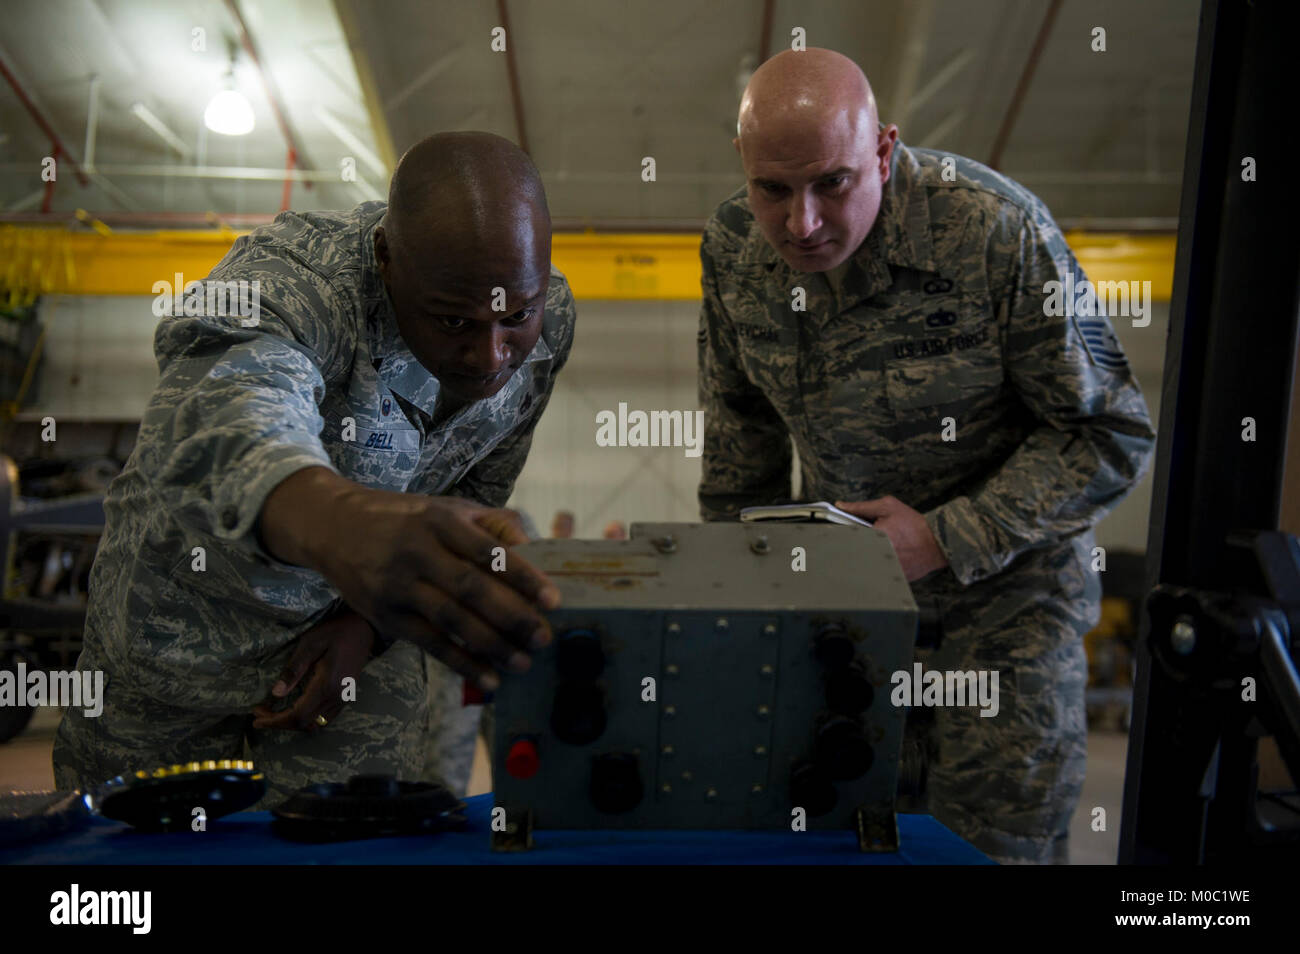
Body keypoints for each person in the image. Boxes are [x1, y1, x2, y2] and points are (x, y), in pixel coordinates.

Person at [698, 49, 1157, 863]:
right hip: (847, 627)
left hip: (1007, 630)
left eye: (832, 182)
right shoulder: (733, 251)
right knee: (838, 847)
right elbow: (739, 456)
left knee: (986, 856)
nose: (801, 224)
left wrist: (946, 537)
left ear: (883, 150)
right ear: (744, 167)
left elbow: (1108, 434)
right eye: (773, 189)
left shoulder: (991, 230)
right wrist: (746, 617)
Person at [53, 131, 574, 805]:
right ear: (388, 259)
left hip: (350, 646)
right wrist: (344, 530)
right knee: (132, 867)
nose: (490, 355)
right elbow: (228, 415)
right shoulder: (297, 279)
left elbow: (475, 493)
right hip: (180, 631)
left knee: (355, 843)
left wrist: (369, 621)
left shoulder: (551, 321)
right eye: (452, 322)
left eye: (515, 318)